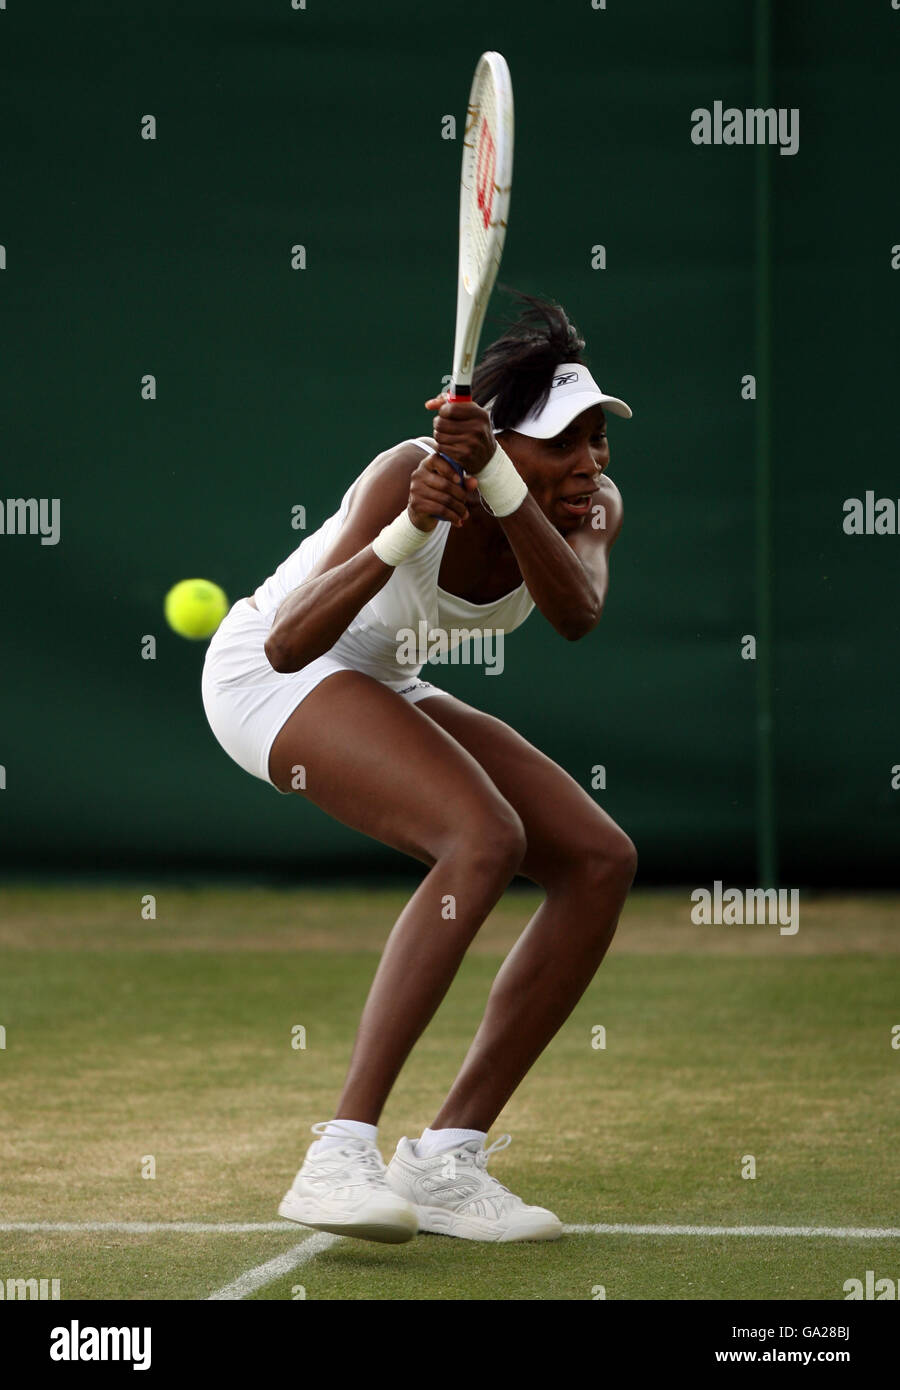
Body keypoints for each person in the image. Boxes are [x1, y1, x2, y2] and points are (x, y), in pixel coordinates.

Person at [201, 291, 636, 1243]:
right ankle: (338, 1153)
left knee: (599, 861)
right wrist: (406, 526)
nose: (591, 463)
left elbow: (575, 614)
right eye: (566, 441)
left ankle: (446, 1159)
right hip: (268, 673)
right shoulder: (408, 470)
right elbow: (289, 647)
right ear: (508, 439)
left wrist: (509, 490)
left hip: (381, 678)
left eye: (598, 439)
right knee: (481, 839)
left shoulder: (585, 508)